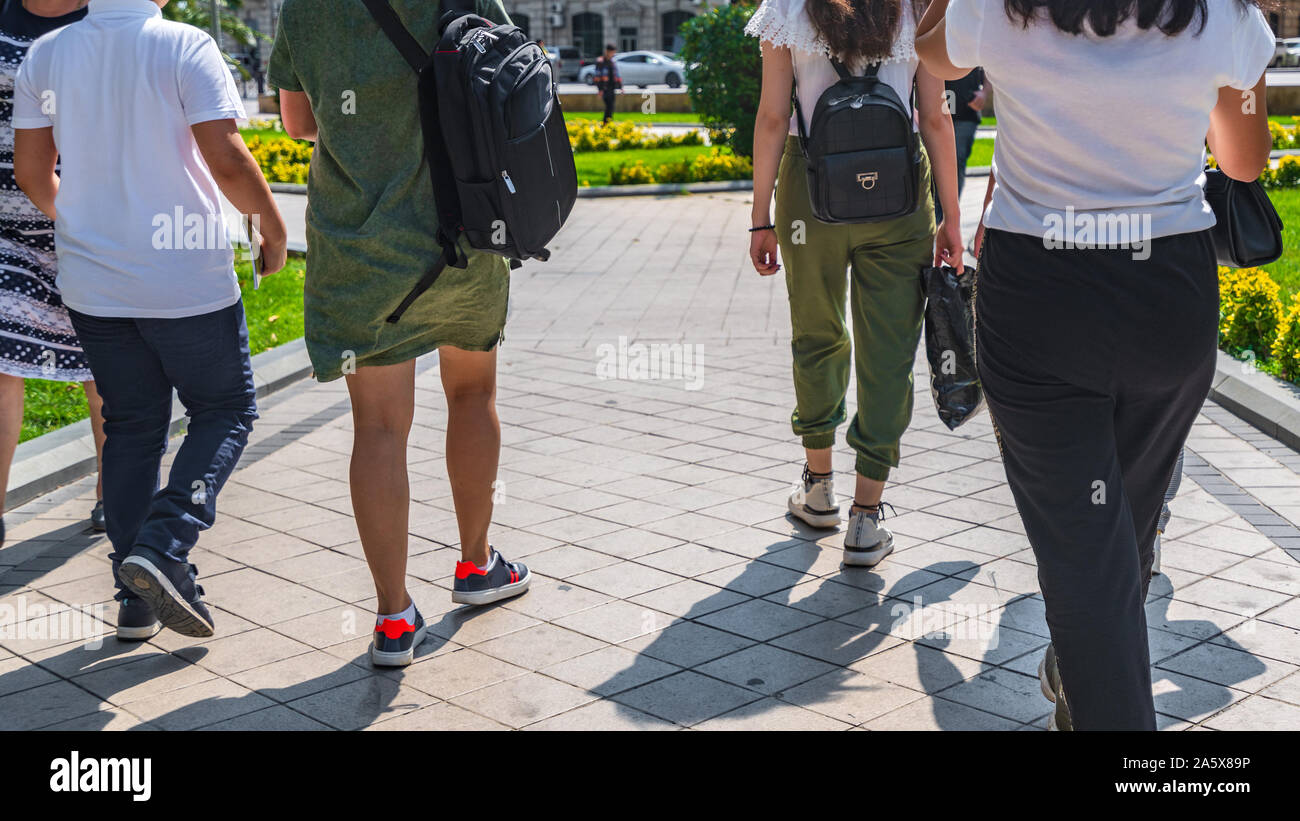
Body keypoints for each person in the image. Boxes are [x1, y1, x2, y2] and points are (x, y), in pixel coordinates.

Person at [918, 0, 1273, 730]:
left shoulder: (997, 9)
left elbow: (929, 51)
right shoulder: (1222, 15)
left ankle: (1090, 667)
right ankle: (1084, 662)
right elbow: (1243, 159)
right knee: (1122, 532)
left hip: (1041, 303)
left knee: (1090, 554)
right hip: (1167, 297)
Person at [13, 0, 288, 641]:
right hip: (183, 278)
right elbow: (226, 157)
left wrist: (83, 226)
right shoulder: (184, 45)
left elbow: (31, 172)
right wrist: (269, 226)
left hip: (92, 281)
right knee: (226, 410)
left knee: (133, 429)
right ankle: (165, 545)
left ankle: (134, 597)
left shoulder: (47, 53)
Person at [269, 0, 531, 668]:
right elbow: (508, 75)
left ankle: (392, 617)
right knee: (472, 395)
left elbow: (299, 122)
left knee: (379, 427)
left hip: (361, 246)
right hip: (464, 231)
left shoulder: (304, 9)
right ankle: (476, 566)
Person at [746, 0, 963, 568]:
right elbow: (935, 116)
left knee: (816, 333)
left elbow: (772, 117)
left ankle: (819, 489)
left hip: (810, 194)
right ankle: (866, 520)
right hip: (899, 199)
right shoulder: (920, 10)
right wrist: (952, 218)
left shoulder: (787, 9)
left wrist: (761, 217)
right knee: (889, 353)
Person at [0, 0, 105, 548]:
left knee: (108, 371)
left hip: (93, 226)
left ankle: (117, 495)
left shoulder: (108, 16)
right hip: (4, 230)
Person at [945, 66, 984, 196]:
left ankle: (950, 213)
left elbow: (989, 68)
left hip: (967, 113)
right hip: (939, 109)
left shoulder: (975, 45)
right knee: (935, 165)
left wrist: (984, 92)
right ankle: (941, 212)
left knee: (956, 163)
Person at [594, 43, 621, 124]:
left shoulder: (612, 62)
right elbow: (597, 77)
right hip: (605, 88)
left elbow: (616, 75)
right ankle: (606, 124)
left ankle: (608, 123)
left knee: (611, 107)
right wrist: (600, 89)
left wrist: (620, 86)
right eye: (612, 52)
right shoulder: (600, 62)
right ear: (607, 51)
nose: (612, 54)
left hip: (612, 87)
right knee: (609, 106)